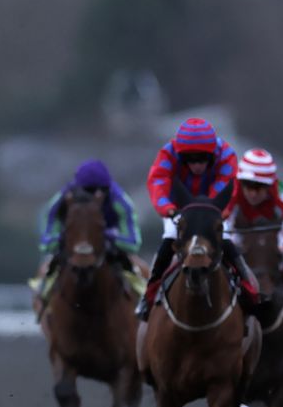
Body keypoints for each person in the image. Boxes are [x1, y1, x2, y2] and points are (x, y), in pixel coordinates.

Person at [136, 117, 262, 321]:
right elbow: (158, 181)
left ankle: (249, 289)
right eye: (190, 160)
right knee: (169, 237)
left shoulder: (227, 154)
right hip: (178, 209)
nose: (197, 165)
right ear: (180, 155)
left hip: (215, 207)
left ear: (213, 154)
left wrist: (213, 213)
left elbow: (228, 186)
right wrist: (167, 208)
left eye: (202, 159)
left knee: (226, 239)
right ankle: (149, 295)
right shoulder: (168, 153)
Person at [33, 160, 142, 306]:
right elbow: (46, 244)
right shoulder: (61, 200)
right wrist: (64, 239)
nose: (94, 195)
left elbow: (133, 244)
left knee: (138, 269)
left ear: (106, 188)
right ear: (77, 188)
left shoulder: (121, 201)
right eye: (87, 190)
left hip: (108, 242)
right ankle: (42, 298)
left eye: (99, 190)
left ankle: (144, 298)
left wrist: (107, 235)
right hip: (71, 240)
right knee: (46, 270)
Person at [227, 148, 283, 332]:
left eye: (258, 187)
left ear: (269, 185)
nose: (252, 193)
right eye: (247, 185)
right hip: (240, 250)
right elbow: (223, 223)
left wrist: (280, 247)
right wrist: (234, 245)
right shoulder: (232, 190)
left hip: (270, 250)